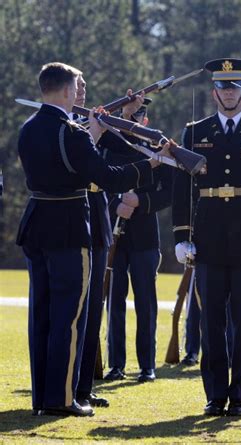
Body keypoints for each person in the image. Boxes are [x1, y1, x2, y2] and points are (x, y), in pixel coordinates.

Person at [16, 62, 166, 417]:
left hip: (37, 223)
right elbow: (109, 178)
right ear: (67, 91)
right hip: (69, 226)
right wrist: (152, 164)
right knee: (70, 315)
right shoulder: (72, 132)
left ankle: (44, 395)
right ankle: (63, 398)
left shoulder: (28, 128)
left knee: (43, 315)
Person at [172, 58, 241, 417]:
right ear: (214, 92)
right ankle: (215, 394)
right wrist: (181, 236)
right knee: (211, 322)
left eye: (234, 86)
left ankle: (240, 396)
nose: (229, 93)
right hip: (207, 233)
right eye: (223, 87)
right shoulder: (195, 131)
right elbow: (181, 188)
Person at [101, 97, 173, 383]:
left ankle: (147, 365)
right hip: (114, 235)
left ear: (146, 122)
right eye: (125, 117)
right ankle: (116, 364)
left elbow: (169, 192)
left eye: (137, 118)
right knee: (114, 302)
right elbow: (96, 182)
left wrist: (140, 201)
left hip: (144, 236)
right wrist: (115, 203)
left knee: (146, 303)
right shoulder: (107, 147)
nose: (132, 123)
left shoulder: (156, 150)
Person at [73, 74, 112, 409]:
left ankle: (84, 387)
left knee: (94, 309)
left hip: (98, 222)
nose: (82, 90)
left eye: (85, 85)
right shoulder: (66, 125)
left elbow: (121, 152)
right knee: (75, 310)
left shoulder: (91, 121)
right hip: (74, 220)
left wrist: (124, 115)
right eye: (77, 85)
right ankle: (67, 386)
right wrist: (93, 134)